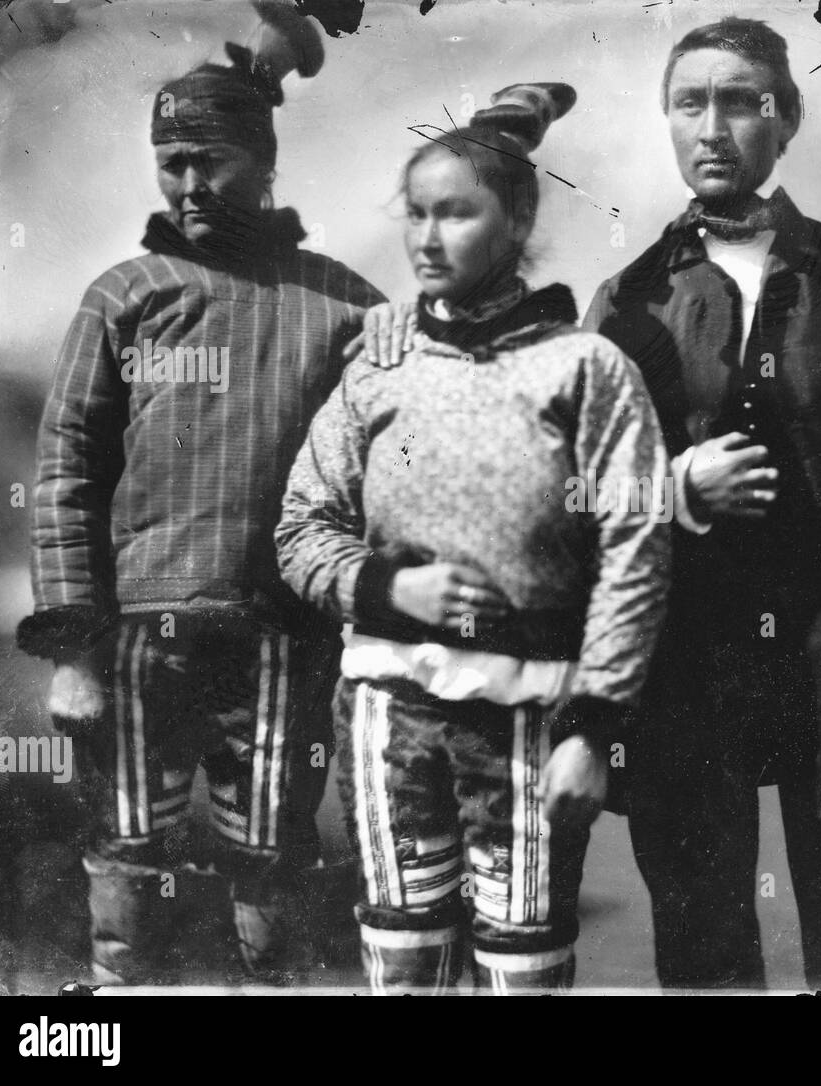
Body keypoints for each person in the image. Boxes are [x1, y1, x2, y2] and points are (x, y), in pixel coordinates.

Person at [16, 6, 386, 985]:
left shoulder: (344, 308)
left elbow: (393, 471)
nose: (188, 185)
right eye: (170, 164)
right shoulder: (123, 296)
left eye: (209, 161)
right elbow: (63, 475)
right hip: (138, 640)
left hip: (281, 637)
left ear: (264, 164)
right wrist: (69, 649)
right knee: (128, 841)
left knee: (269, 847)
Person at [275, 83, 671, 993]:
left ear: (518, 215)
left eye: (457, 213)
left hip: (529, 724)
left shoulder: (583, 367)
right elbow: (302, 524)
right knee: (403, 966)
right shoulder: (382, 371)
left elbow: (635, 552)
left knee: (523, 972)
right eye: (415, 214)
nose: (426, 237)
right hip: (387, 716)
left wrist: (594, 724)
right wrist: (385, 589)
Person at [582, 18, 821, 990]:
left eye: (740, 100)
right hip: (689, 664)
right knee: (703, 936)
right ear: (666, 119)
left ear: (785, 119)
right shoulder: (626, 299)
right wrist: (673, 489)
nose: (713, 126)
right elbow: (575, 499)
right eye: (689, 101)